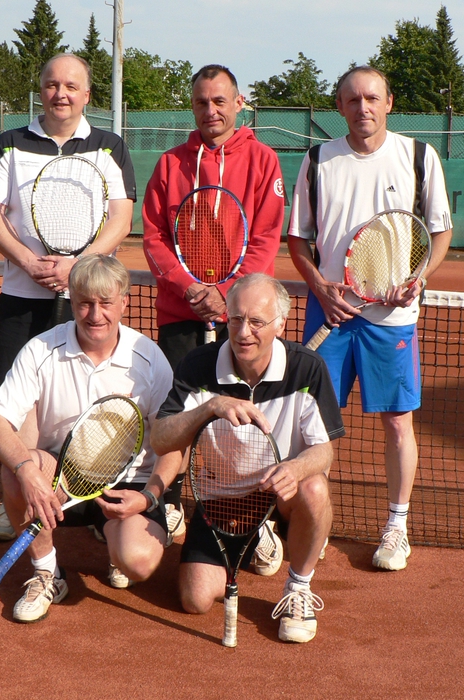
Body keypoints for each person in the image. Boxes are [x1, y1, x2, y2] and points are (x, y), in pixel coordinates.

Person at [288, 66, 454, 572]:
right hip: (330, 312)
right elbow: (298, 239)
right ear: (339, 106)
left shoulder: (419, 158)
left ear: (389, 103)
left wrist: (420, 274)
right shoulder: (318, 160)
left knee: (397, 422)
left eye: (372, 98)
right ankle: (302, 519)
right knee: (310, 425)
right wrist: (320, 287)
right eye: (353, 99)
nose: (363, 107)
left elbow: (440, 233)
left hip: (393, 318)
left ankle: (397, 526)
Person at [0, 53, 136, 542]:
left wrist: (77, 268)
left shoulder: (109, 146)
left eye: (71, 86)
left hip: (84, 294)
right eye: (51, 84)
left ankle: (89, 498)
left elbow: (121, 218)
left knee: (90, 393)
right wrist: (28, 262)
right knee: (19, 399)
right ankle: (22, 498)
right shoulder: (10, 143)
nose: (60, 93)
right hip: (22, 295)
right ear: (40, 91)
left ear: (87, 94)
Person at [0, 255, 181, 622]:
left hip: (128, 481)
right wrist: (27, 471)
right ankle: (46, 572)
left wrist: (149, 496)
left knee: (137, 562)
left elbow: (172, 444)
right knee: (15, 469)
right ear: (71, 301)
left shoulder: (150, 359)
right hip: (61, 474)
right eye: (85, 302)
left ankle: (122, 539)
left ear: (124, 303)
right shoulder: (41, 349)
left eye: (105, 303)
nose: (95, 314)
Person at [150, 274, 344, 643]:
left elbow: (324, 449)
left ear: (280, 324)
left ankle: (298, 588)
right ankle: (256, 541)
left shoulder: (307, 368)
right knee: (195, 600)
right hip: (222, 500)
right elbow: (161, 439)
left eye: (257, 322)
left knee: (315, 488)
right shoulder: (198, 365)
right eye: (236, 319)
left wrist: (296, 467)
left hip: (280, 496)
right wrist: (211, 406)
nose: (243, 332)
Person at [142, 64, 286, 546]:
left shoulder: (264, 160)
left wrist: (228, 295)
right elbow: (156, 238)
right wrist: (191, 289)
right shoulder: (169, 164)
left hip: (240, 314)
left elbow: (265, 239)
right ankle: (171, 501)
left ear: (238, 102)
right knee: (179, 411)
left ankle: (251, 510)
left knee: (242, 411)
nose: (211, 110)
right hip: (181, 311)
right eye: (202, 102)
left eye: (220, 101)